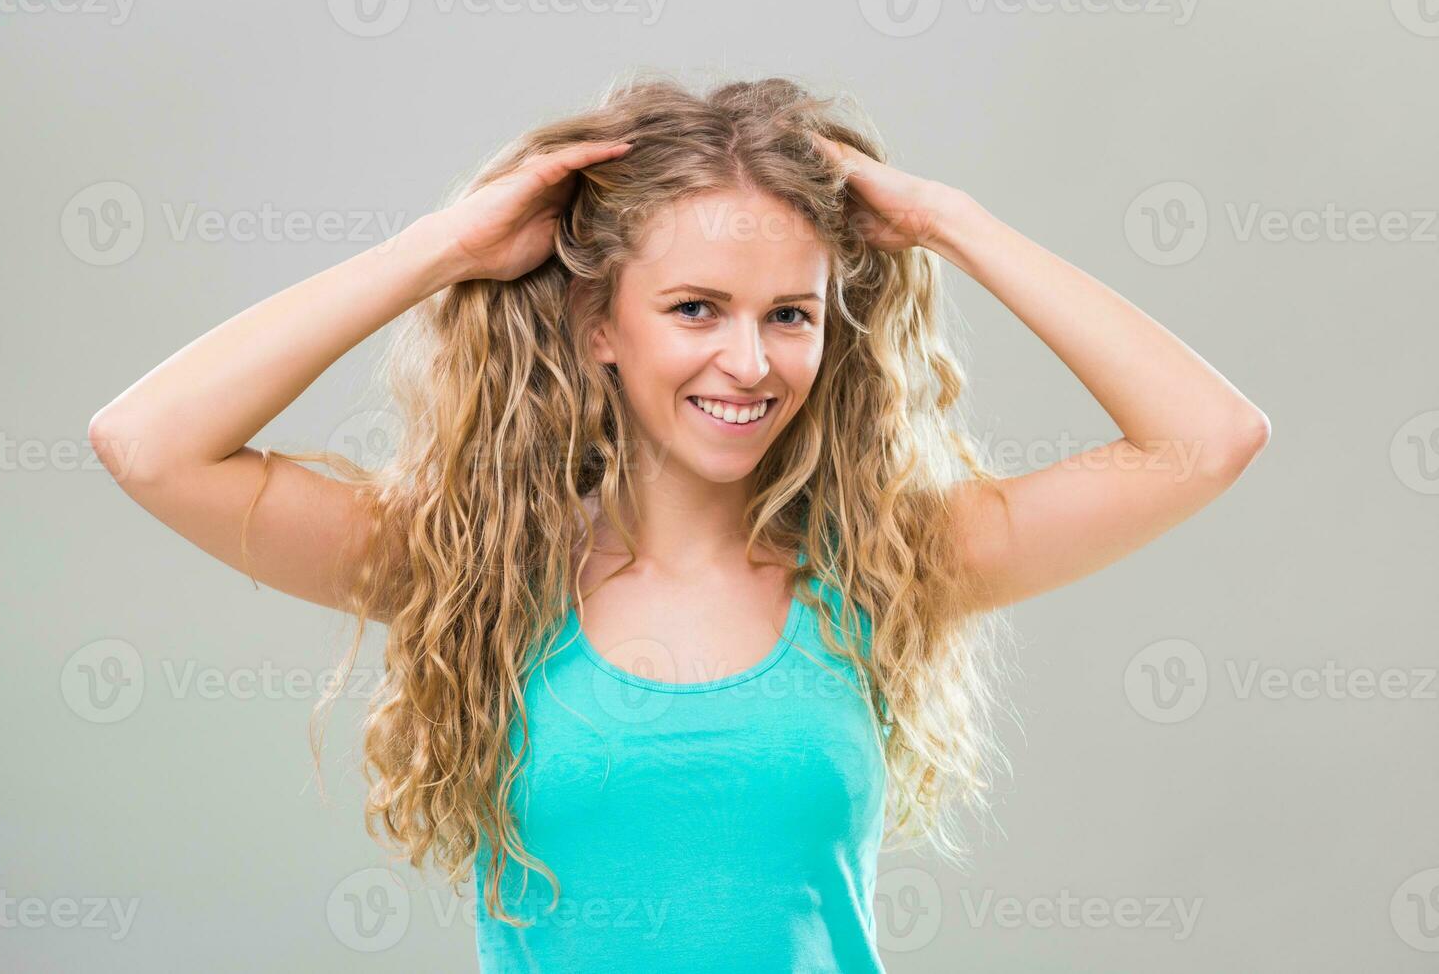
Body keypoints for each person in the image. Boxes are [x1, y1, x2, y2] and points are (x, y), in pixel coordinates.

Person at [88, 72, 1269, 972]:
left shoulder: (889, 565)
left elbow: (1203, 438)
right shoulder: (466, 568)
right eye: (695, 306)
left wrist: (953, 220)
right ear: (601, 322)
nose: (748, 361)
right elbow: (149, 442)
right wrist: (439, 248)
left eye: (790, 314)